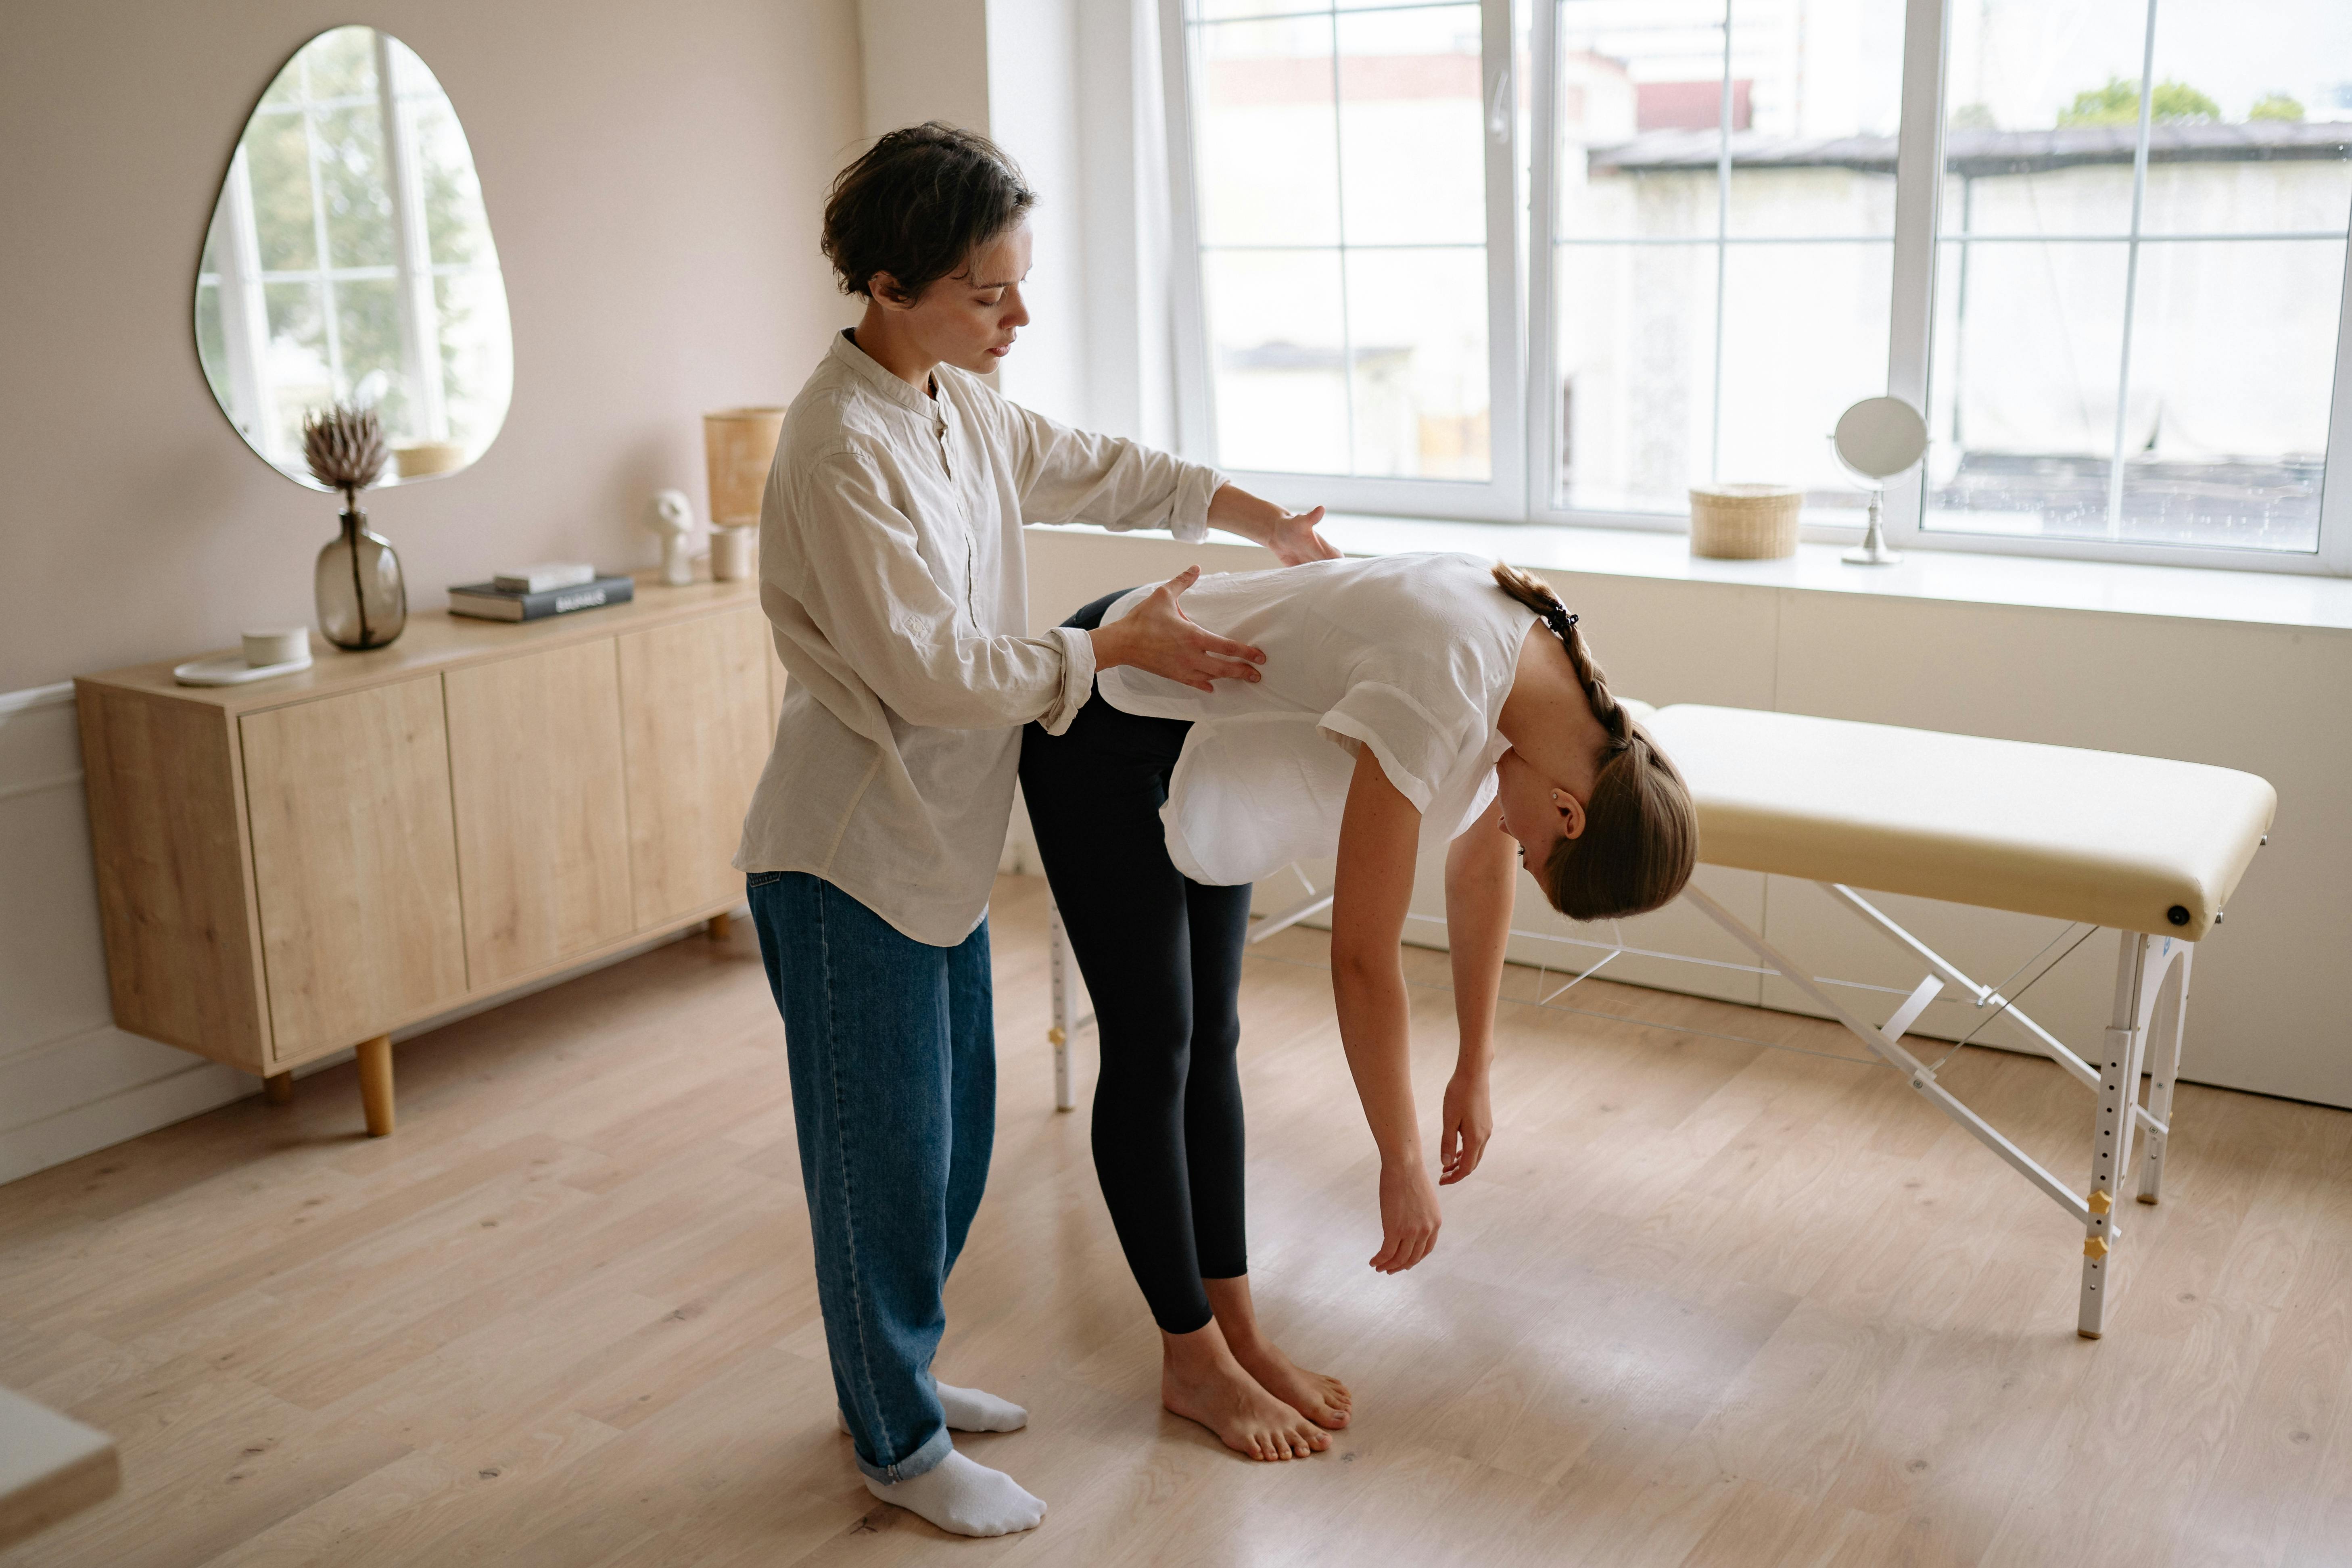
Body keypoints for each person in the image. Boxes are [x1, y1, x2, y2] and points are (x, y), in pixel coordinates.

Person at [734, 122, 1336, 1538]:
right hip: (846, 858)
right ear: (890, 283)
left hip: (935, 849)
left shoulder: (949, 398)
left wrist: (1256, 516)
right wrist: (1108, 646)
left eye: (1018, 284)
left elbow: (1092, 462)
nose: (1019, 317)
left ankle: (903, 1376)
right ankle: (897, 1437)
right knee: (878, 1165)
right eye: (989, 292)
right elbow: (931, 669)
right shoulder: (839, 451)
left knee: (945, 1152)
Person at [1017, 551, 1698, 1462]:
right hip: (1113, 710)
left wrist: (1473, 1067)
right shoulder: (1448, 681)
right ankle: (1192, 1361)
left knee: (1209, 1036)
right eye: (1543, 856)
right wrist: (1400, 1160)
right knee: (1155, 1045)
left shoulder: (1564, 705)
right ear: (1571, 816)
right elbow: (1362, 960)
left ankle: (1239, 1338)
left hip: (1209, 738)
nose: (1516, 842)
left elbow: (1476, 864)